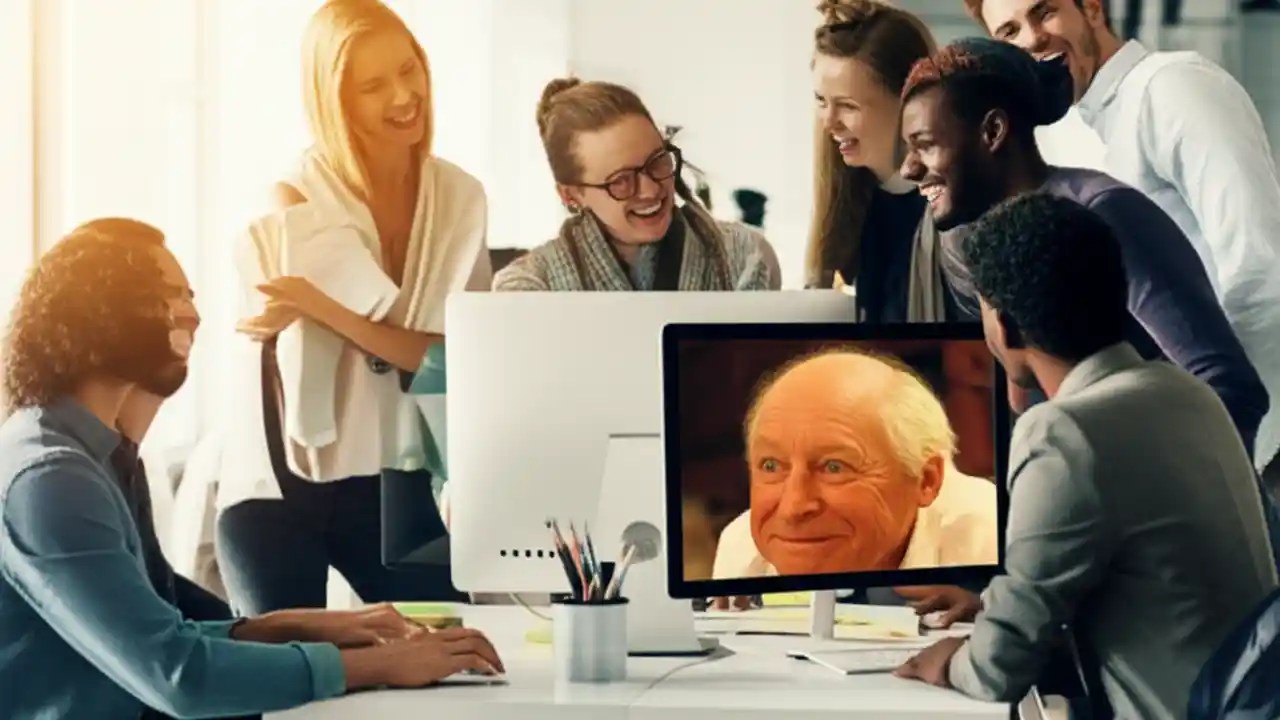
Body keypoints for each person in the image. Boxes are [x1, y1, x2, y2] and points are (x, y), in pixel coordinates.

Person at [0, 220, 504, 720]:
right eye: (164, 295)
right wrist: (377, 664)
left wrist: (309, 626)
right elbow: (178, 674)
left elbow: (164, 633)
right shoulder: (50, 479)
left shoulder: (99, 457)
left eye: (189, 295)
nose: (192, 314)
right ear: (94, 310)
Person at [892, 192, 1278, 717]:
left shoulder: (1065, 432)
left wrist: (954, 659)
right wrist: (991, 609)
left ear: (1003, 326)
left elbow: (997, 669)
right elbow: (1136, 588)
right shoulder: (1187, 393)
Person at [219, 0, 488, 614]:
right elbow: (412, 345)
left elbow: (454, 360)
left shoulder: (460, 197)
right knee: (290, 682)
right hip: (280, 486)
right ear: (335, 99)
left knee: (461, 649)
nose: (403, 94)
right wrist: (388, 336)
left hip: (394, 477)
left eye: (408, 68)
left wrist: (321, 308)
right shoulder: (293, 195)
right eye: (373, 85)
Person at [897, 37, 1269, 458]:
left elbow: (1227, 385)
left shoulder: (1104, 212)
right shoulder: (979, 240)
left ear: (993, 132)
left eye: (924, 145)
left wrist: (1162, 505)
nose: (909, 169)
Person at [711, 349, 997, 579]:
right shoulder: (742, 550)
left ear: (926, 481)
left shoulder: (992, 538)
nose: (792, 508)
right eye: (771, 466)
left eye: (834, 467)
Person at [492, 77, 780, 292]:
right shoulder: (529, 289)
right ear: (571, 195)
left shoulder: (745, 258)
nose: (651, 190)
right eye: (621, 181)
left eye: (657, 162)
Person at [806, 0, 962, 324]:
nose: (828, 122)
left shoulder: (962, 217)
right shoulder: (853, 207)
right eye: (822, 101)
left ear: (910, 103)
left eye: (848, 106)